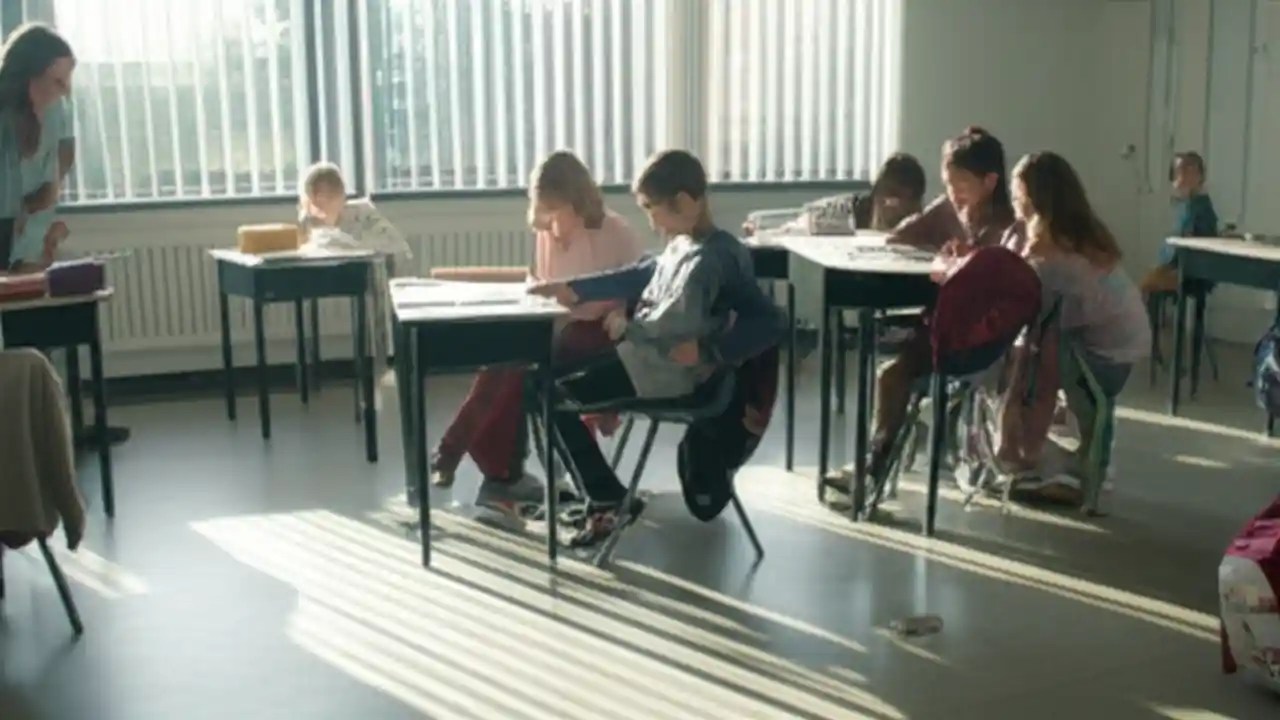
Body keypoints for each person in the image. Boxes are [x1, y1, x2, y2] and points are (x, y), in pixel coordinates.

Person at [528, 149, 784, 547]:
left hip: (668, 376)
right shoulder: (682, 244)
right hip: (642, 364)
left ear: (684, 201)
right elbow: (641, 274)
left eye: (652, 209)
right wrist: (573, 287)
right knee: (542, 388)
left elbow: (770, 321)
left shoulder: (723, 255)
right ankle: (604, 495)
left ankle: (605, 497)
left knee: (544, 394)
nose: (650, 221)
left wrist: (711, 351)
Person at [430, 151, 645, 496]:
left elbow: (640, 288)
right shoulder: (546, 231)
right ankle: (476, 460)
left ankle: (460, 456)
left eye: (558, 210)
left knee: (517, 365)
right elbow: (540, 284)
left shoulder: (618, 231)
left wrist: (621, 312)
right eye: (546, 209)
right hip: (553, 325)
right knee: (505, 360)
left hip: (600, 332)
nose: (552, 221)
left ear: (579, 200)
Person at [997, 152, 1149, 503]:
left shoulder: (1052, 253)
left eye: (1018, 192)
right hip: (1122, 351)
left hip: (1102, 360)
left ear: (1035, 198)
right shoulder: (1080, 235)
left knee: (1034, 349)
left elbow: (1029, 306)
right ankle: (1040, 452)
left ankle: (1028, 451)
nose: (1014, 198)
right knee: (1040, 340)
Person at [866, 127, 1016, 481]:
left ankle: (879, 462)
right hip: (943, 327)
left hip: (982, 340)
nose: (952, 194)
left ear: (990, 181)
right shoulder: (950, 209)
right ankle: (878, 460)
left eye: (961, 184)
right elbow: (900, 236)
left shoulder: (1007, 227)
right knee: (890, 374)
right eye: (947, 183)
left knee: (897, 372)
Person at [297, 161, 412, 392]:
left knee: (385, 313)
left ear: (340, 196)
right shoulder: (308, 219)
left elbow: (392, 243)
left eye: (329, 197)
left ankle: (389, 366)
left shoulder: (362, 213)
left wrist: (352, 243)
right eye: (317, 198)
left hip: (380, 267)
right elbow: (306, 246)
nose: (323, 204)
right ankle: (312, 375)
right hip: (333, 267)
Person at [0, 24, 75, 272]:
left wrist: (52, 190)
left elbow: (65, 149)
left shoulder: (56, 109)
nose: (65, 90)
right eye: (57, 81)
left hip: (32, 239)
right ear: (28, 76)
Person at [742, 153, 927, 236]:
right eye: (889, 198)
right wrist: (764, 230)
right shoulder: (853, 210)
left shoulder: (923, 220)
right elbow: (802, 224)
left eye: (906, 200)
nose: (892, 207)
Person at [1140, 151, 1219, 295]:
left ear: (1199, 177)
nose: (1182, 178)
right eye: (1178, 173)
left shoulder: (1199, 206)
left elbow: (1187, 240)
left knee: (1147, 285)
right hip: (1178, 265)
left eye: (1189, 172)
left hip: (1192, 271)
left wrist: (1166, 267)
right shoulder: (1182, 205)